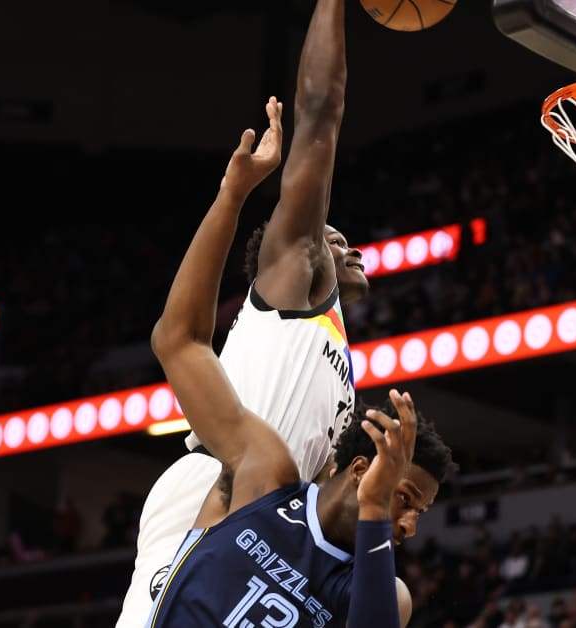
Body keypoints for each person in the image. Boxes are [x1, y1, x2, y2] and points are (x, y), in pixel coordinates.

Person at [117, 0, 370, 618]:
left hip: (258, 516)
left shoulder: (335, 349)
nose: (352, 246)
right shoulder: (295, 284)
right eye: (334, 239)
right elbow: (320, 115)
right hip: (216, 486)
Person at [144, 173, 454, 623]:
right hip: (221, 471)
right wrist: (232, 195)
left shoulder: (343, 367)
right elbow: (180, 341)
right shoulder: (281, 306)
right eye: (332, 241)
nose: (351, 250)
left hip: (281, 502)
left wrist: (373, 500)